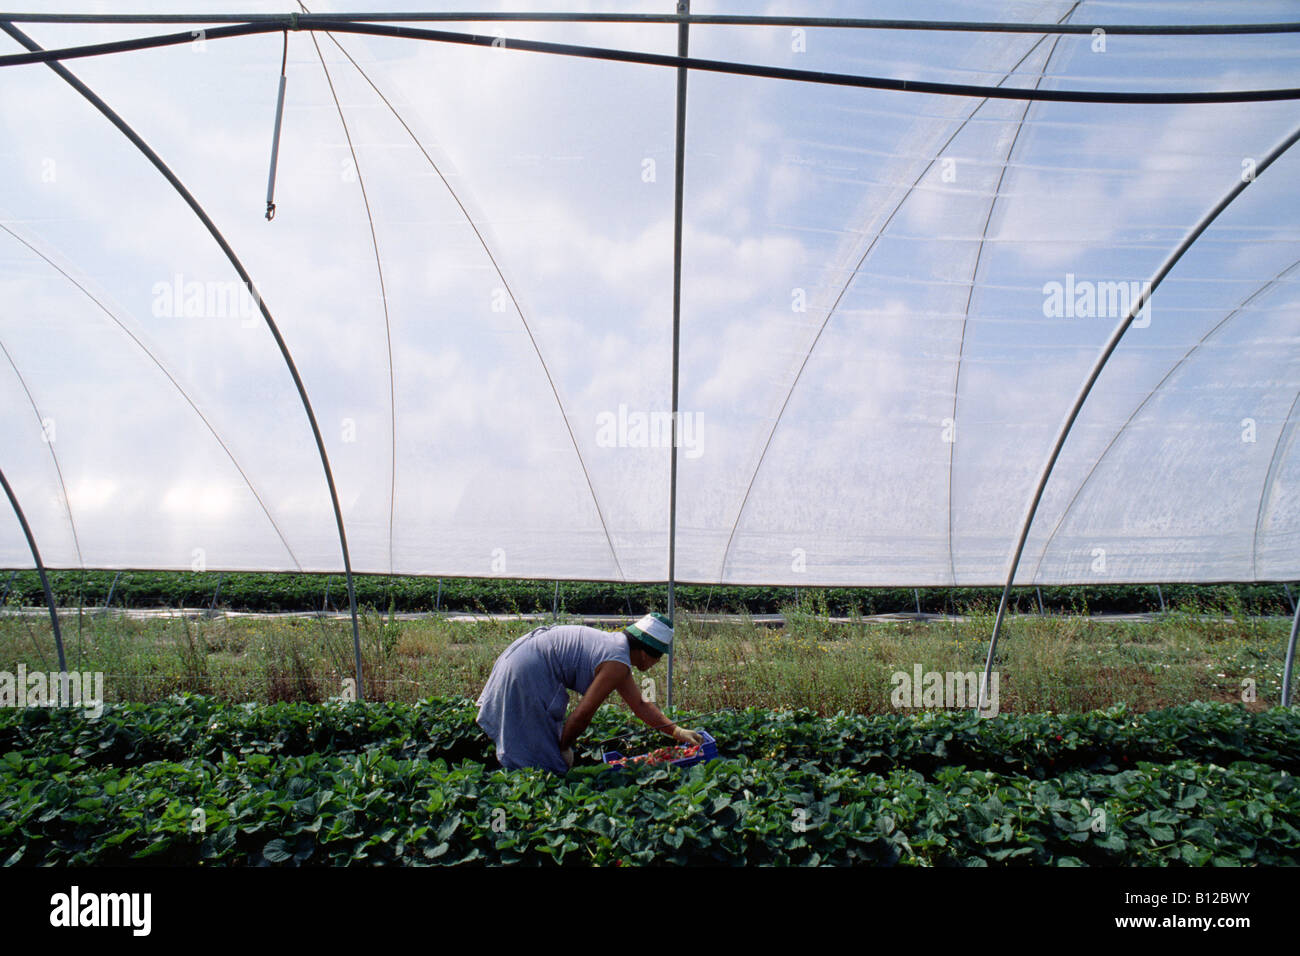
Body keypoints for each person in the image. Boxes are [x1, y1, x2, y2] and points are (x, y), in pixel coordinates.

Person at [475, 612, 703, 774]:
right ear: (646, 653)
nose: (656, 663)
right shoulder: (616, 662)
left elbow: (641, 705)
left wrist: (676, 731)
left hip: (518, 659)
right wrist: (564, 747)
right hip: (527, 672)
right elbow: (582, 714)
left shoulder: (617, 651)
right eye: (659, 657)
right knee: (539, 762)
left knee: (533, 748)